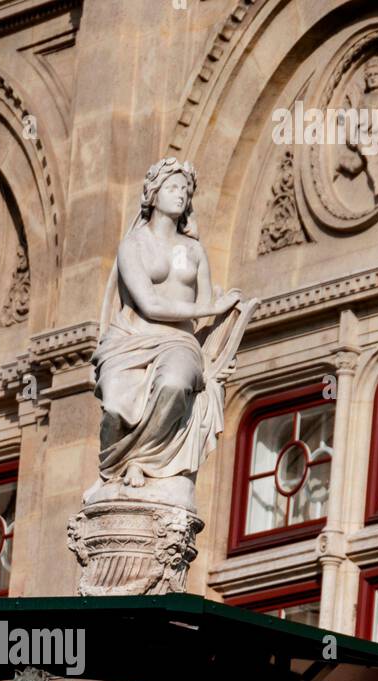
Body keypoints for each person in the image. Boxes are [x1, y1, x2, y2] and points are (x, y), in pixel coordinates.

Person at [92, 157, 256, 489]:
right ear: (152, 195)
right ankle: (116, 465)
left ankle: (143, 459)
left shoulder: (192, 251)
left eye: (185, 189)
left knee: (175, 385)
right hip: (131, 338)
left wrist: (221, 315)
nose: (180, 194)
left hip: (179, 342)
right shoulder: (133, 245)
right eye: (171, 187)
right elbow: (150, 304)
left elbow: (208, 309)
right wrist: (206, 307)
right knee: (113, 408)